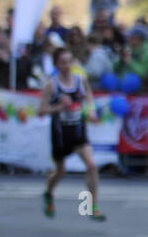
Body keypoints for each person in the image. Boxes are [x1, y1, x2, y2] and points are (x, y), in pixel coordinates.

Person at [41, 47, 106, 222]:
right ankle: (48, 193)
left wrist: (91, 111)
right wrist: (59, 107)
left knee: (91, 166)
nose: (67, 65)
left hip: (78, 130)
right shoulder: (52, 85)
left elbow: (89, 95)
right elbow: (41, 111)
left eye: (69, 61)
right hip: (61, 133)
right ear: (56, 64)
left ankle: (92, 206)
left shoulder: (80, 79)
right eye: (63, 62)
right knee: (61, 172)